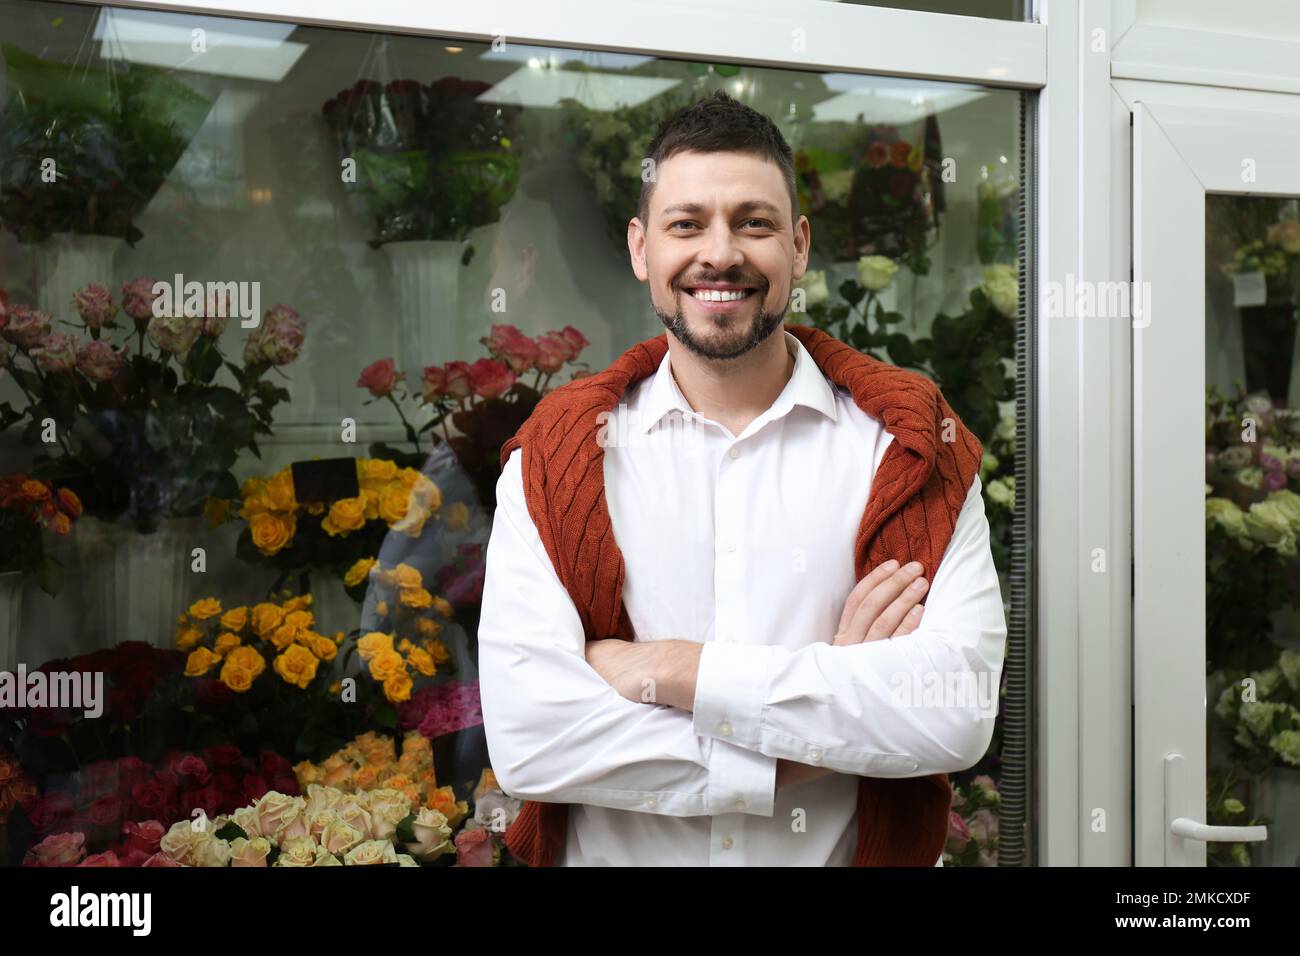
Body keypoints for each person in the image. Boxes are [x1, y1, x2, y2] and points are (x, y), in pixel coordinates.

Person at [478, 91, 1007, 866]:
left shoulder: (909, 450)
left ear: (798, 245)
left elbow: (952, 713)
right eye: (685, 224)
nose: (719, 253)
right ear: (641, 248)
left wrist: (667, 669)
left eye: (753, 223)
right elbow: (532, 739)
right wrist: (828, 718)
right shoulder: (557, 459)